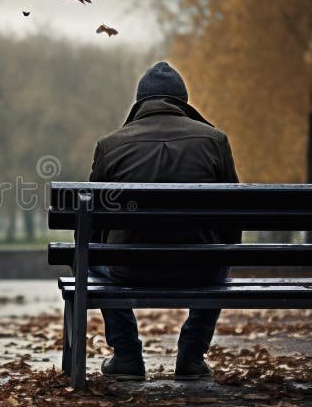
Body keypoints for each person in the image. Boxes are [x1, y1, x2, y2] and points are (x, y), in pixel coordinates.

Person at [88, 62, 241, 381]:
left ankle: (127, 355)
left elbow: (93, 227)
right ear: (183, 103)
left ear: (140, 103)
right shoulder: (215, 141)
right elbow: (233, 217)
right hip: (200, 268)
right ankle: (191, 357)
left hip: (129, 268)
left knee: (88, 258)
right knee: (221, 257)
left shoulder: (110, 146)